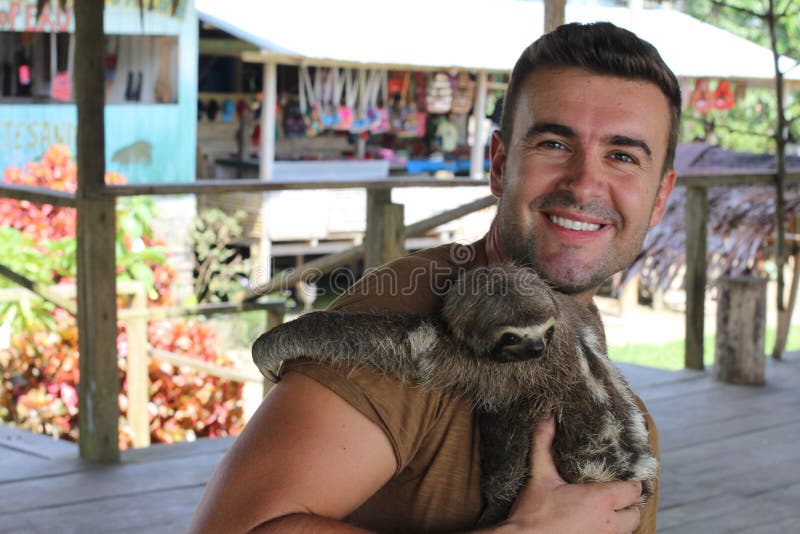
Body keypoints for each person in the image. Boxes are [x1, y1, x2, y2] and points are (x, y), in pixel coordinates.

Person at [188, 21, 680, 533]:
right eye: (554, 144)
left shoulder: (605, 377)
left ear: (660, 195)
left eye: (622, 156)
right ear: (498, 164)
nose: (584, 184)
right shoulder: (412, 310)